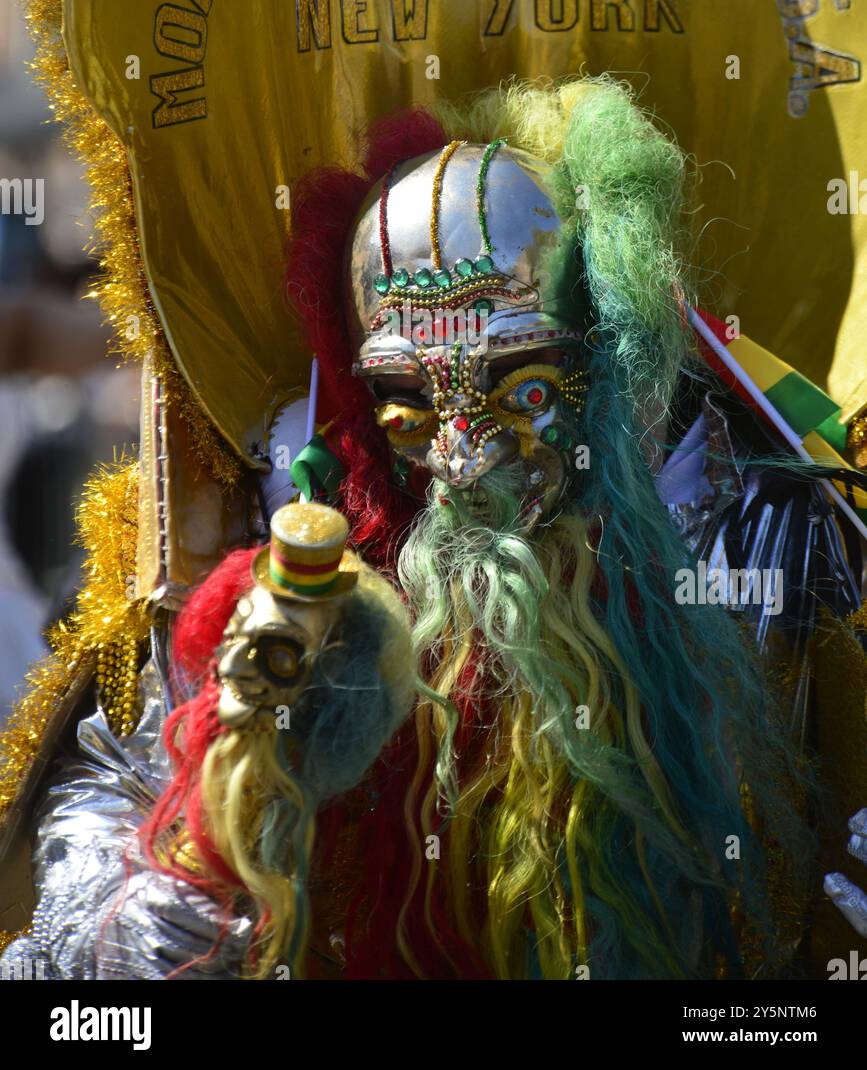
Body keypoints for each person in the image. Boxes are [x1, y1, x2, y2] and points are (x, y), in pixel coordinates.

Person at [4, 77, 866, 980]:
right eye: (409, 402)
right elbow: (81, 907)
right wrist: (198, 856)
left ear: (605, 363)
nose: (460, 455)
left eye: (521, 389)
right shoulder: (265, 533)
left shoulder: (756, 529)